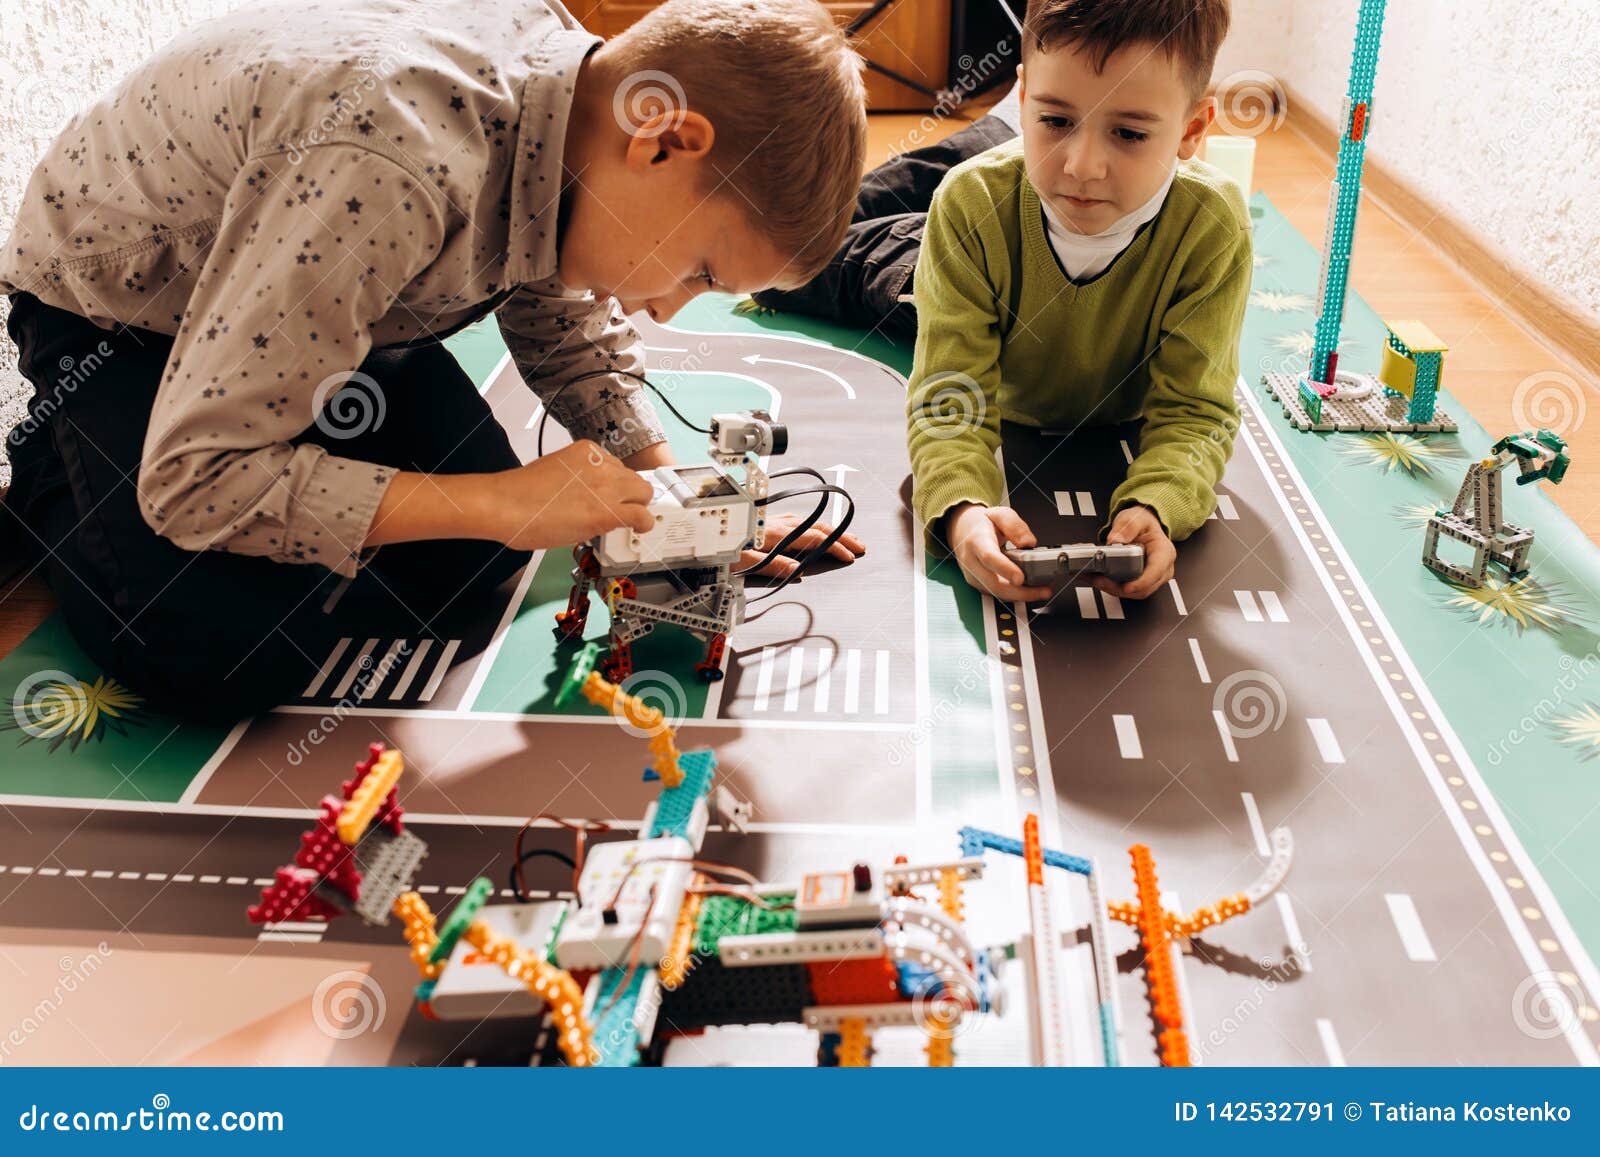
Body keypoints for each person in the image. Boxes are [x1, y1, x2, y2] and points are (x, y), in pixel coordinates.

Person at [0, 0, 868, 719]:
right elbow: (195, 479)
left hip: (313, 301)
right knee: (223, 650)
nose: (667, 307)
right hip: (122, 322)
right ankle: (53, 464)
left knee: (472, 564)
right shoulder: (391, 160)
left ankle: (291, 444)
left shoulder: (581, 110)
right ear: (662, 143)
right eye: (700, 271)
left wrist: (672, 505)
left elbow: (560, 319)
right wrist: (500, 501)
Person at [760, 0, 1249, 604]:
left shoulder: (1212, 224)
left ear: (1193, 130)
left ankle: (998, 134)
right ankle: (990, 138)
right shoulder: (971, 204)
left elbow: (1196, 412)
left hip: (999, 214)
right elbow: (949, 397)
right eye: (1056, 119)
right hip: (924, 262)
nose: (1083, 166)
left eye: (1128, 133)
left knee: (959, 183)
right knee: (788, 256)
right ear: (1025, 97)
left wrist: (1160, 503)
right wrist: (961, 507)